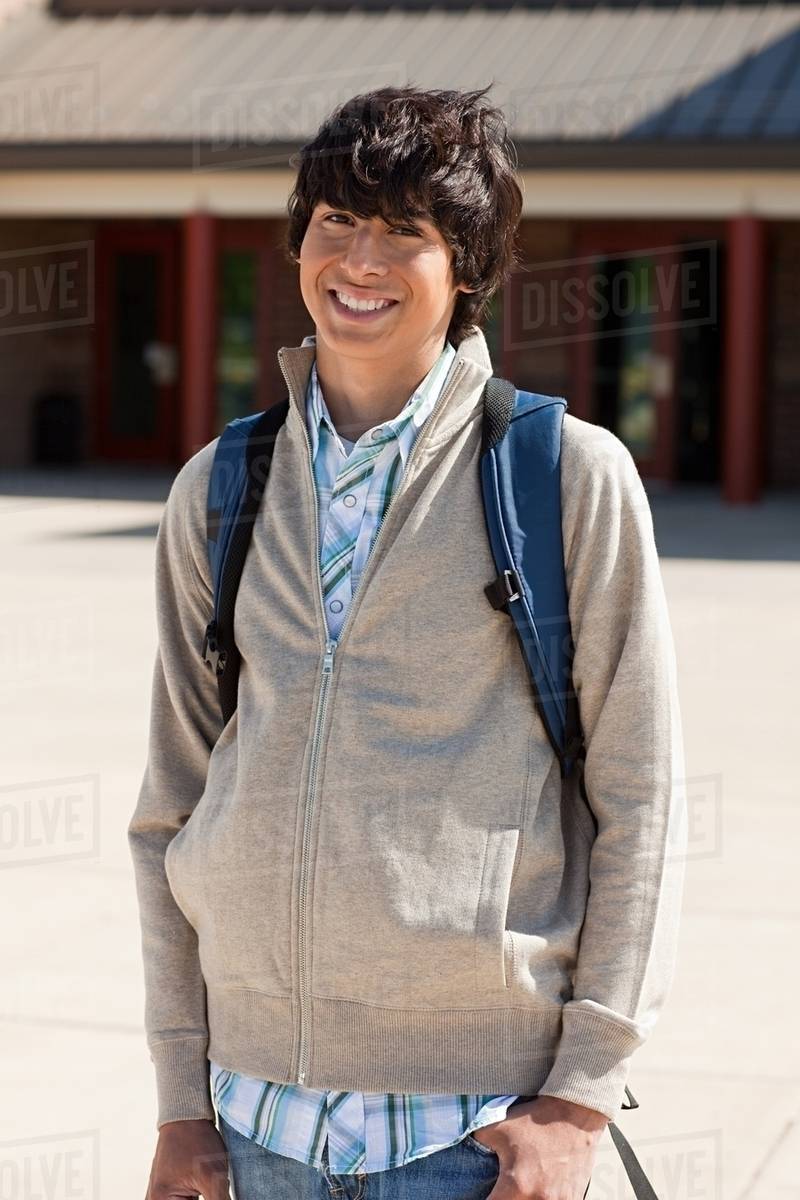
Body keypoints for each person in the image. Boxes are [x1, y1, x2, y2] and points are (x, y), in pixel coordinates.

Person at [128, 83, 688, 1200]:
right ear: (298, 246)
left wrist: (577, 1099)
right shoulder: (219, 490)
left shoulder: (563, 477)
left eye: (403, 231)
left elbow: (640, 796)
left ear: (465, 268)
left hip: (470, 1134)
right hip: (255, 1128)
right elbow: (170, 812)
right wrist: (183, 1102)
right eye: (335, 221)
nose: (359, 259)